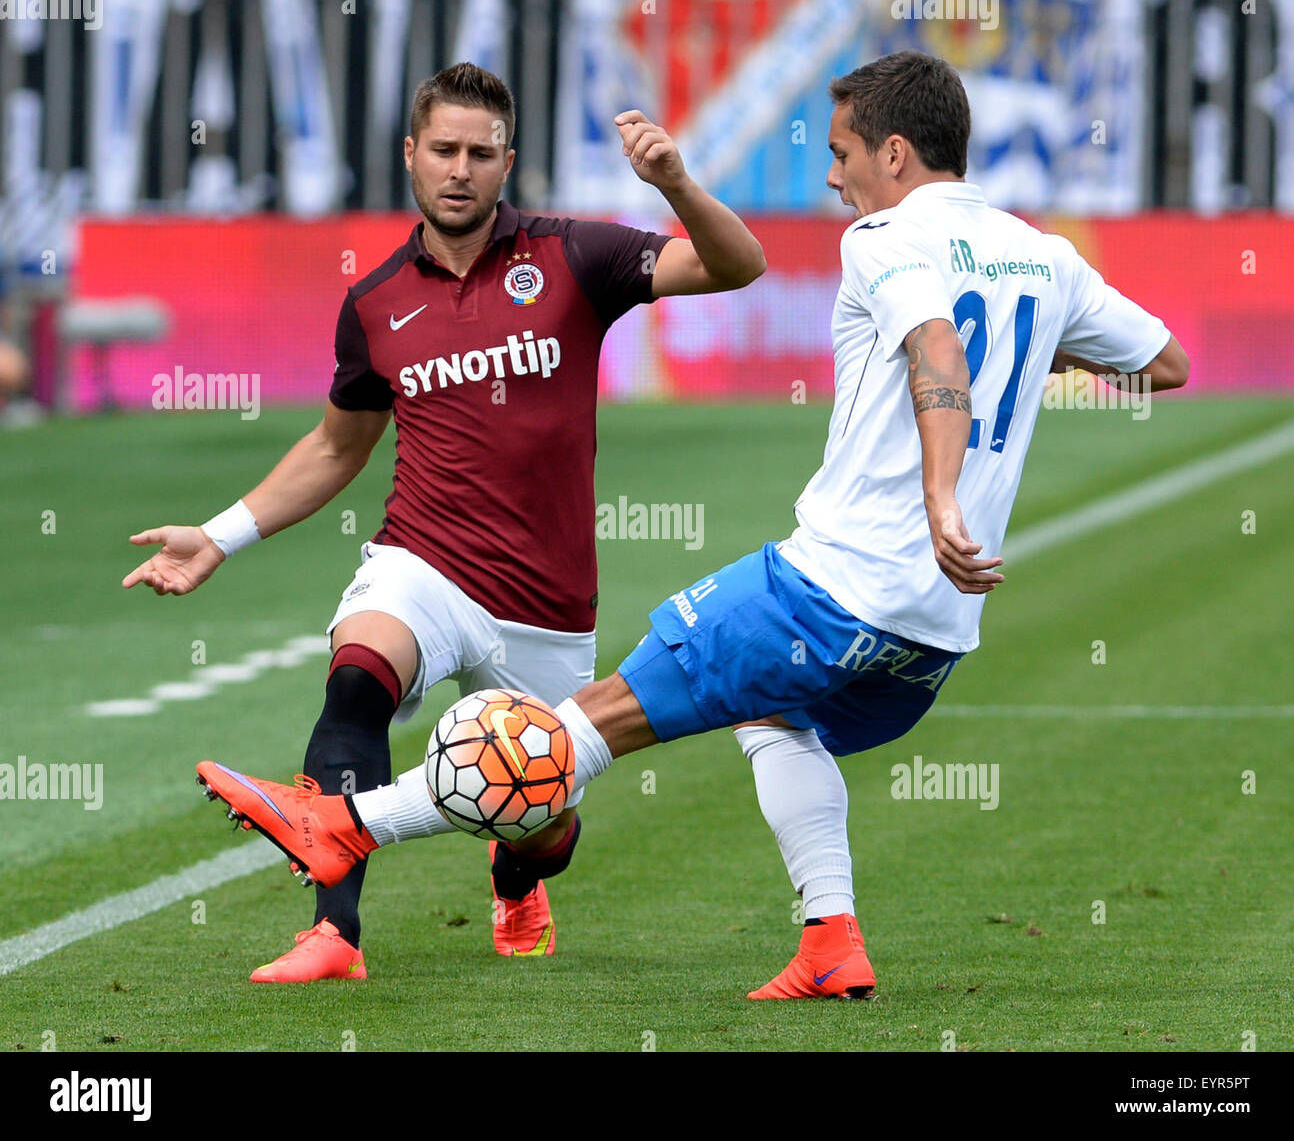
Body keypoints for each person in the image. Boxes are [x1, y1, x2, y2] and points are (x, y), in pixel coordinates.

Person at [193, 51, 1189, 998]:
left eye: (841, 154)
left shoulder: (887, 237)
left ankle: (346, 824)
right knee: (773, 716)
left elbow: (934, 344)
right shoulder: (1043, 258)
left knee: (571, 733)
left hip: (835, 580)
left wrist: (939, 492)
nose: (835, 179)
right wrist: (1021, 362)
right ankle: (830, 939)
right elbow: (1163, 362)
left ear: (892, 153)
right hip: (933, 631)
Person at [125, 62, 765, 982]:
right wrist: (219, 535)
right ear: (410, 156)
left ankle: (517, 880)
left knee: (540, 822)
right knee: (355, 681)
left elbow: (739, 265)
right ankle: (334, 935)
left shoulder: (575, 255)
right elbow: (337, 448)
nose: (460, 168)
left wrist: (673, 183)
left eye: (481, 152)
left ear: (508, 163)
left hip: (547, 602)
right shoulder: (377, 301)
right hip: (422, 560)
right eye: (444, 150)